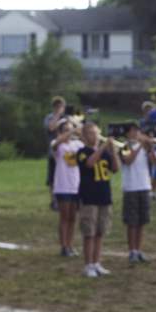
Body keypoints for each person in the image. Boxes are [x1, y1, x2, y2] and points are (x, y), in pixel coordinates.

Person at [76, 122, 119, 278]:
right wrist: (102, 147)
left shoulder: (105, 152)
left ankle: (96, 263)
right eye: (91, 133)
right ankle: (88, 265)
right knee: (89, 233)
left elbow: (115, 169)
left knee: (100, 232)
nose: (95, 136)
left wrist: (113, 152)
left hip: (104, 196)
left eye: (96, 133)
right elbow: (89, 163)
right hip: (89, 197)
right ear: (84, 136)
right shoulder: (82, 152)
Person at [119, 122, 156, 265]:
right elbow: (128, 161)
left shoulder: (145, 148)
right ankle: (132, 251)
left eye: (138, 131)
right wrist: (140, 145)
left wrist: (150, 148)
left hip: (144, 186)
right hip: (131, 187)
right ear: (127, 133)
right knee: (132, 222)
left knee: (142, 221)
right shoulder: (123, 146)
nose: (137, 133)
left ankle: (139, 250)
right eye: (134, 131)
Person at [50, 119, 82, 257]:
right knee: (64, 217)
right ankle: (63, 246)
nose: (69, 133)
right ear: (60, 132)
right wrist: (72, 130)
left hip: (76, 185)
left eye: (70, 129)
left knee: (73, 218)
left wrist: (80, 129)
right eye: (65, 130)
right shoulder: (57, 144)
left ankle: (70, 245)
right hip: (62, 186)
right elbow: (56, 144)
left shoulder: (77, 144)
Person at [44, 96, 67, 210]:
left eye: (61, 106)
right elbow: (51, 128)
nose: (59, 108)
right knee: (52, 178)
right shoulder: (49, 117)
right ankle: (54, 201)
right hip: (54, 153)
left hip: (68, 152)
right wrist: (57, 115)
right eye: (57, 106)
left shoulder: (67, 118)